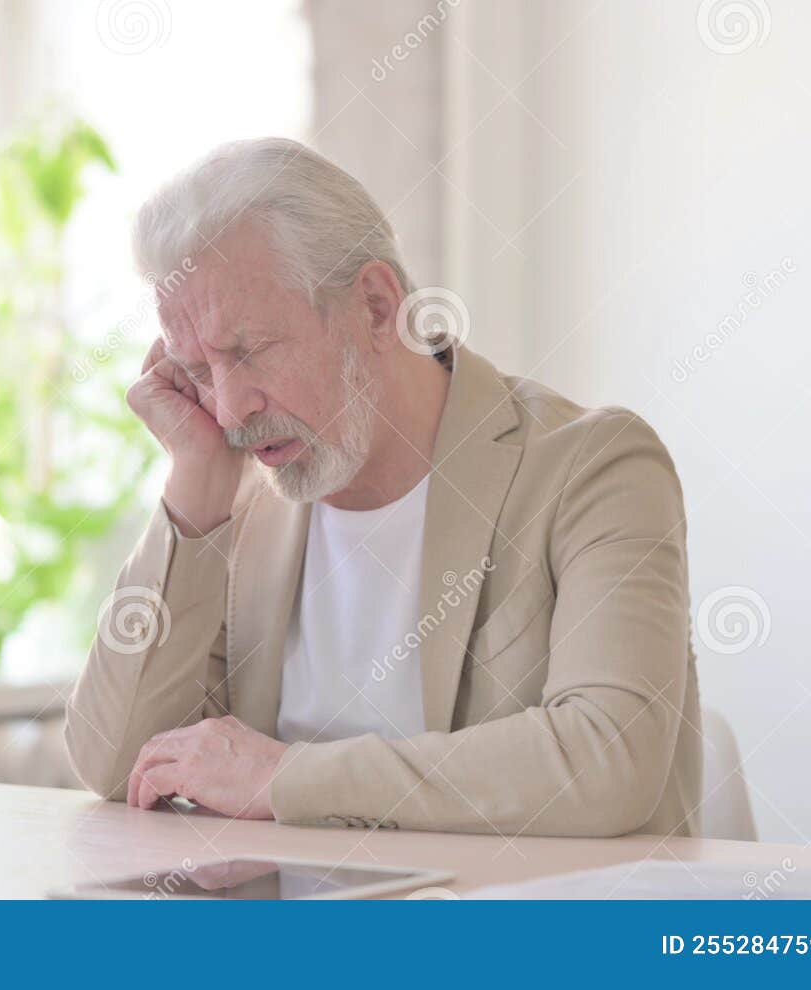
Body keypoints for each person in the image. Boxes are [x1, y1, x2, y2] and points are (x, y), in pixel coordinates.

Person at [65, 137, 702, 837]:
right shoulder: (236, 508)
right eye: (197, 369)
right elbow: (113, 761)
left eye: (246, 351)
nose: (226, 408)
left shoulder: (593, 467)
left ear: (373, 305)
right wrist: (192, 489)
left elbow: (608, 761)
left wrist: (283, 778)